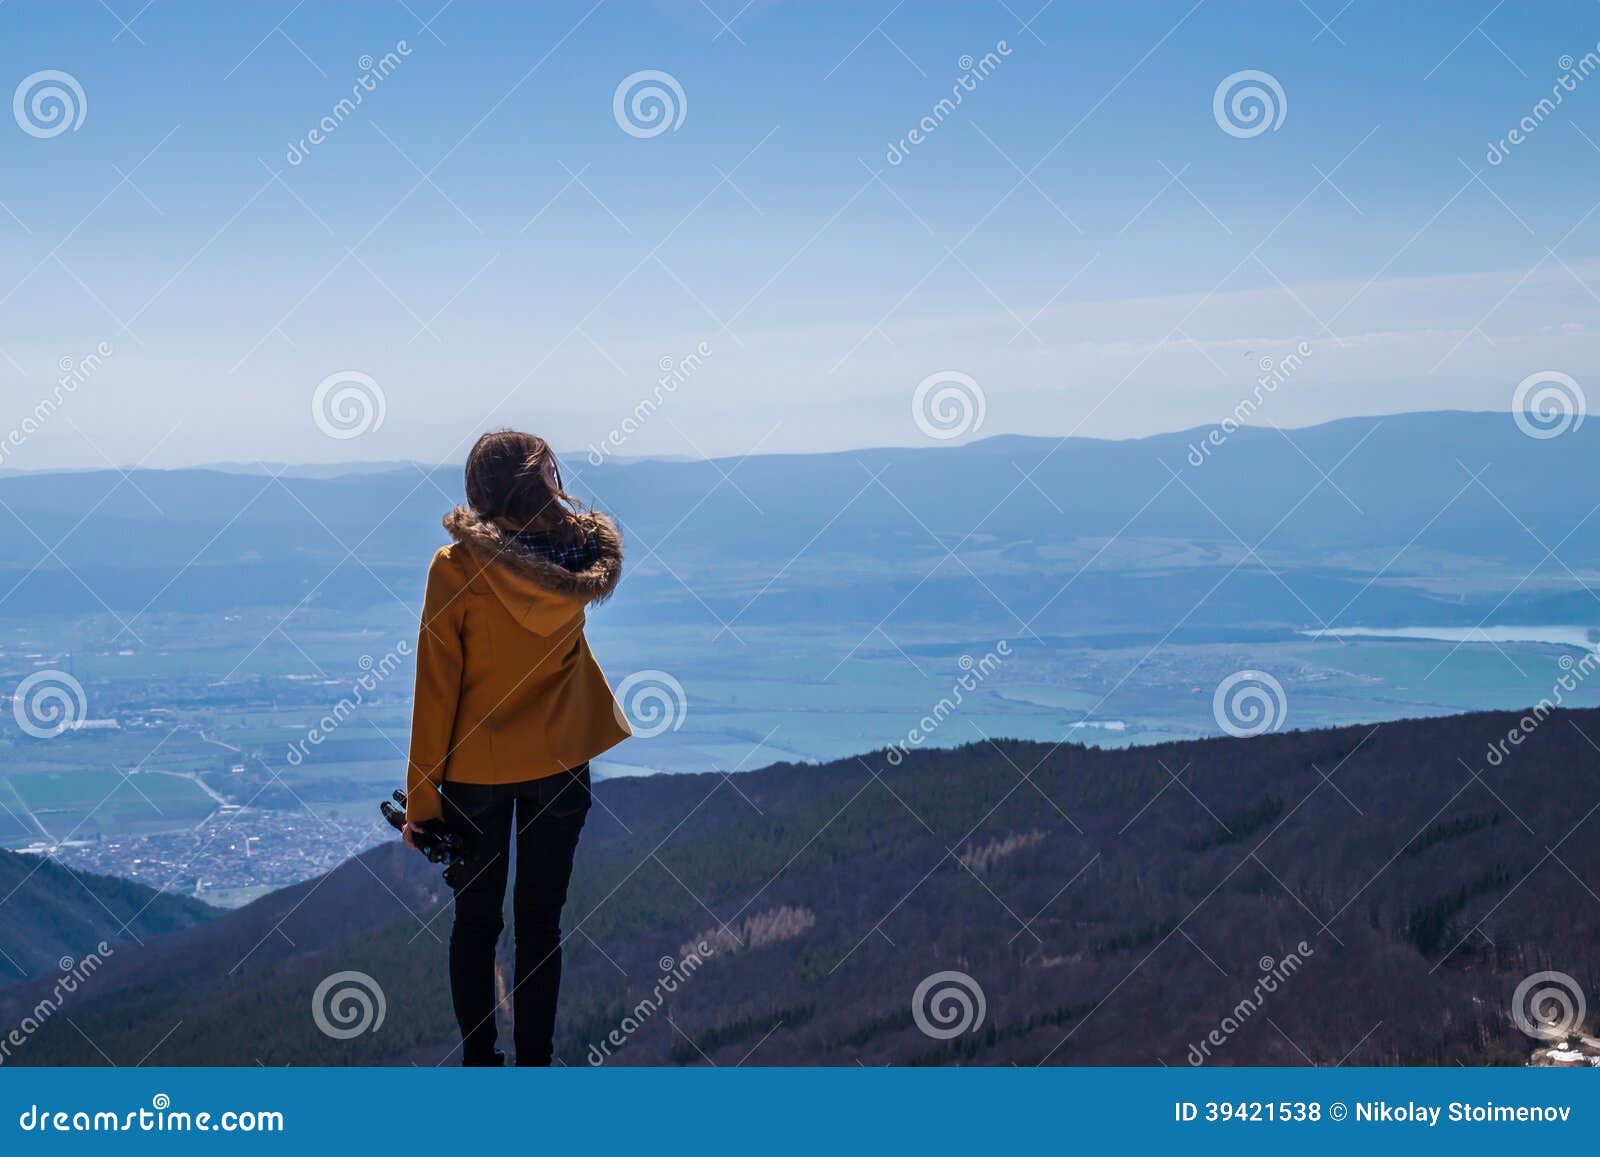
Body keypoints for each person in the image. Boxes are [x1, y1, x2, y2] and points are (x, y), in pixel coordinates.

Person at [402, 429, 631, 1066]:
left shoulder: (455, 571)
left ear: (480, 492)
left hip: (477, 776)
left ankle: (482, 1065)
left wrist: (423, 802)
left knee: (476, 925)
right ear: (542, 484)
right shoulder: (575, 562)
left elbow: (436, 690)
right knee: (540, 927)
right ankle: (535, 1070)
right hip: (560, 767)